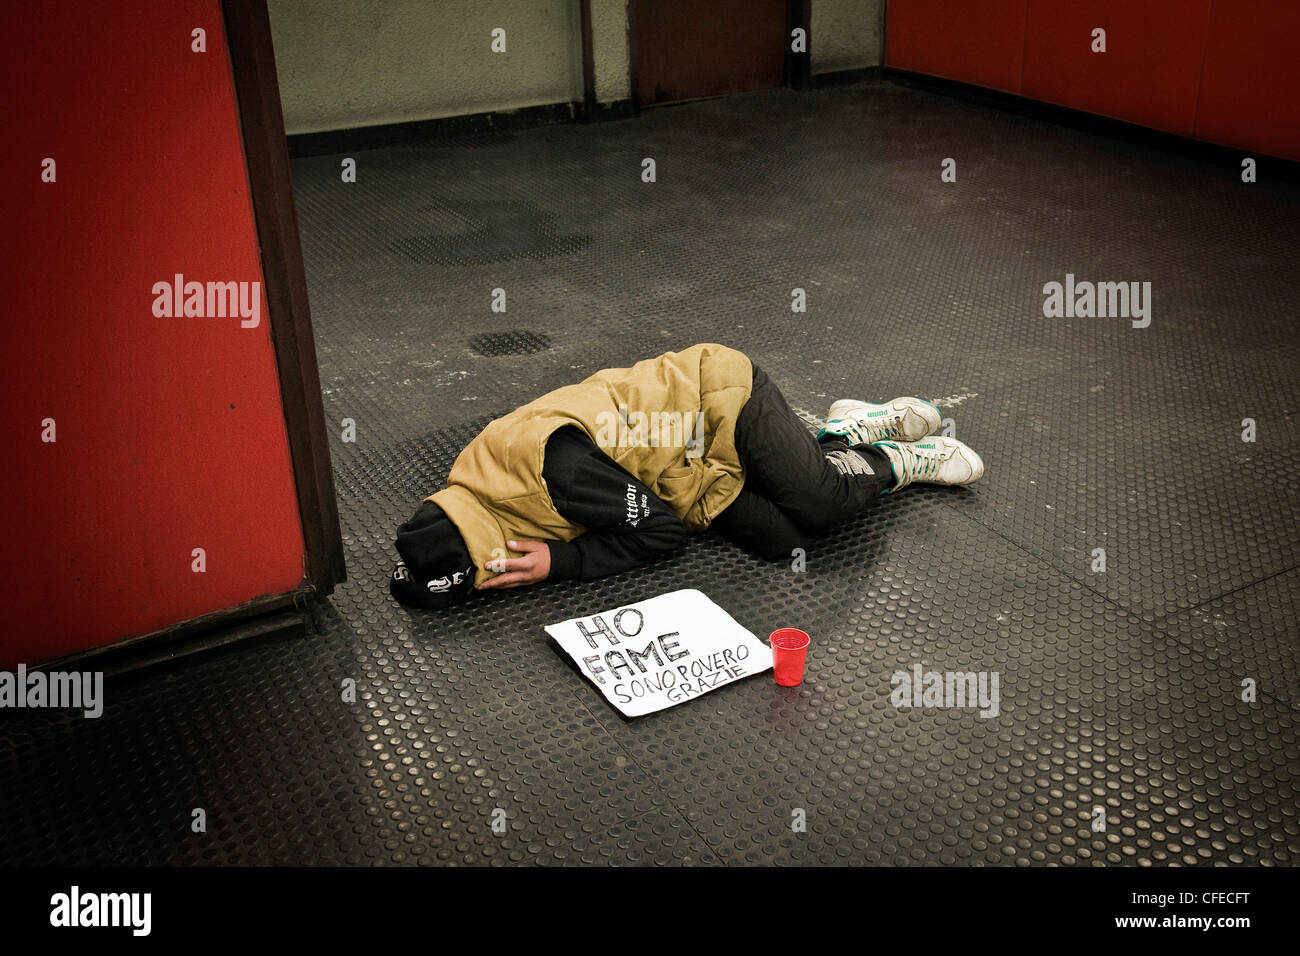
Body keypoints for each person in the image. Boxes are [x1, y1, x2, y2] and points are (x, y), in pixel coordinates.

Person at [389, 343, 984, 608]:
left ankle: (897, 457)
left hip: (712, 399)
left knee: (819, 500)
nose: (495, 581)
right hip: (680, 466)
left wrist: (559, 563)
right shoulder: (477, 488)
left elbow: (662, 533)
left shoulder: (554, 477)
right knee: (784, 538)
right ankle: (839, 435)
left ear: (486, 547)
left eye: (482, 576)